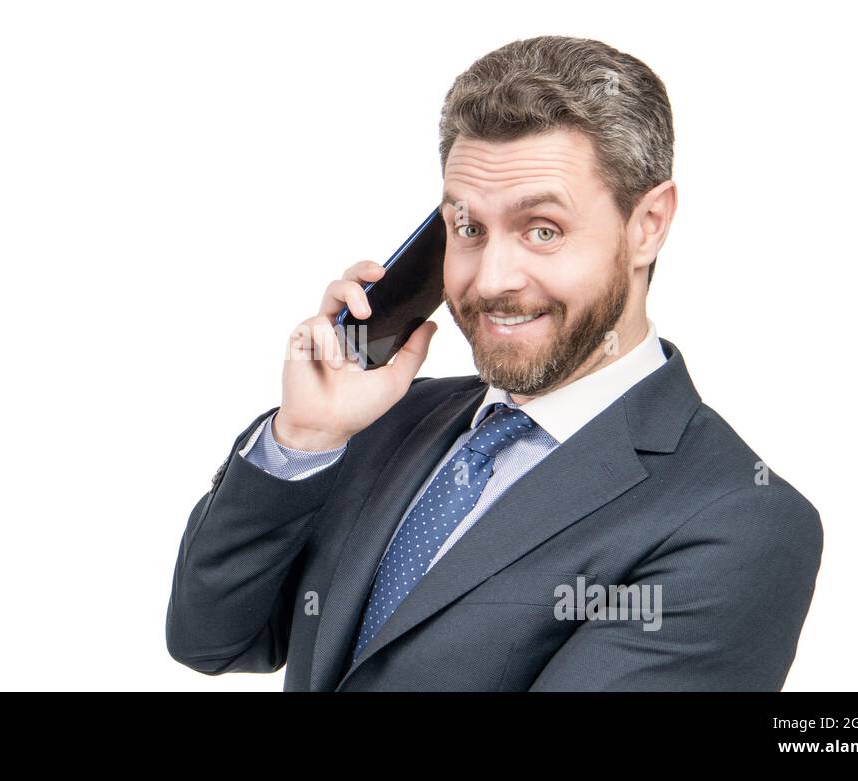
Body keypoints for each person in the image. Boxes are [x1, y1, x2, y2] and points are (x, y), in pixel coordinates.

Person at [166, 35, 823, 691]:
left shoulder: (738, 520)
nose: (492, 278)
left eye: (542, 228)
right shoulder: (382, 421)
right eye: (468, 228)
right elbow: (214, 639)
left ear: (647, 223)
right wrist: (304, 438)